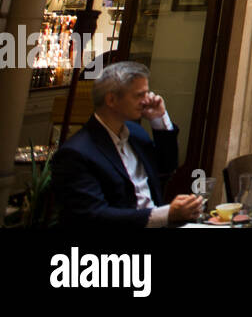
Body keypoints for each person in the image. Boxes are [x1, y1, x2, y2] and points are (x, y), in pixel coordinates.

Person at [50, 60, 203, 227]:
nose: (147, 100)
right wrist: (167, 214)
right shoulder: (76, 153)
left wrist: (159, 119)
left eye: (147, 93)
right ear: (111, 100)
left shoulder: (135, 132)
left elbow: (167, 165)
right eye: (139, 95)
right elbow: (93, 216)